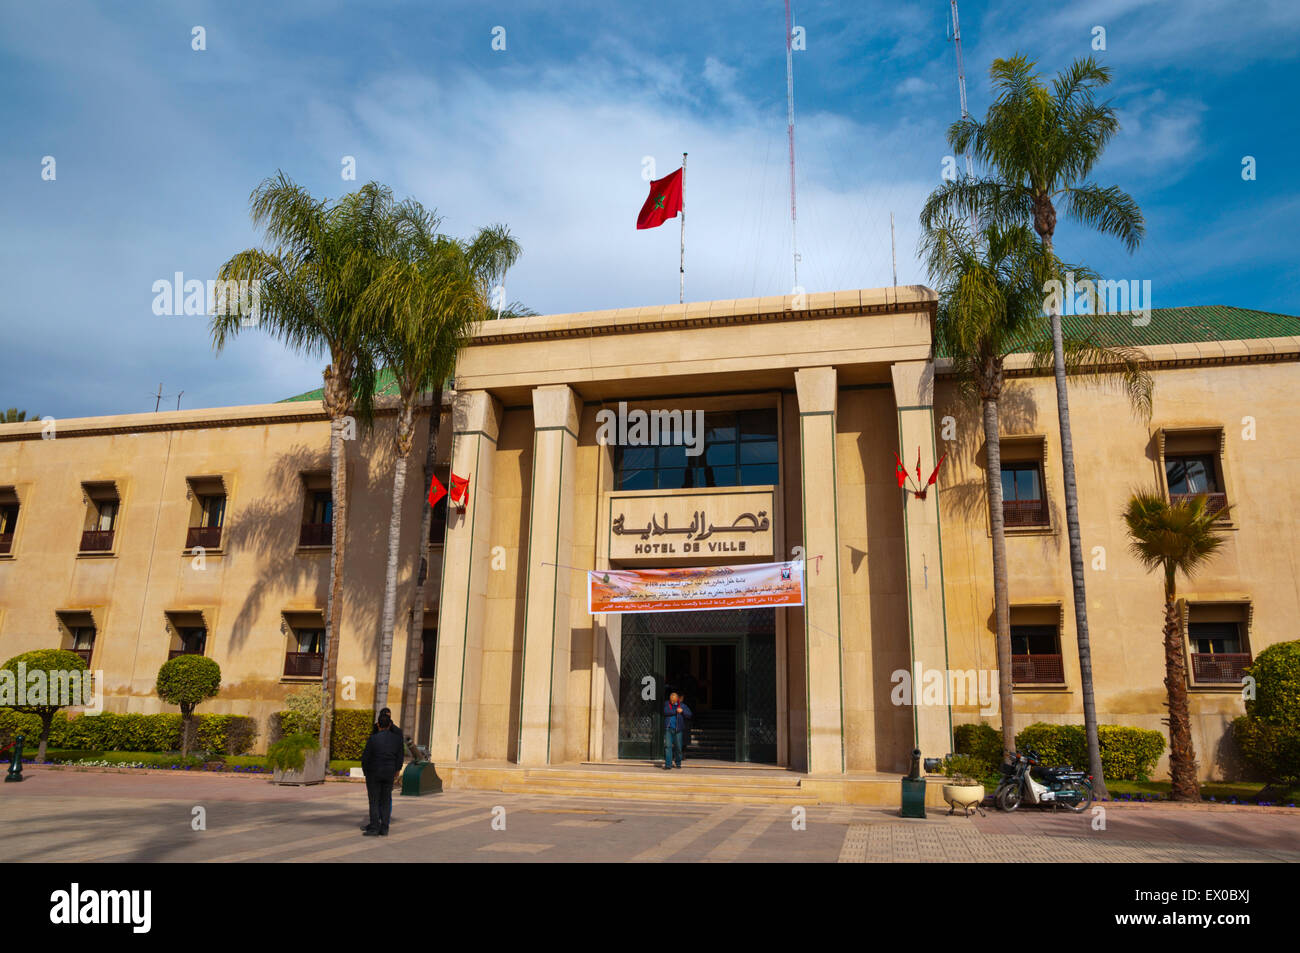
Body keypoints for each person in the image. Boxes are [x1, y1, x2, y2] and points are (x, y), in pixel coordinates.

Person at [360, 709, 405, 836]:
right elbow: (400, 756)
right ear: (389, 725)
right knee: (386, 800)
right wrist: (397, 770)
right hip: (389, 772)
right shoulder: (396, 739)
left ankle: (374, 827)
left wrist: (366, 772)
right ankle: (384, 828)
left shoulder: (373, 739)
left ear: (378, 725)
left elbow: (365, 758)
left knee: (374, 800)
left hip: (374, 772)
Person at [662, 692, 692, 770]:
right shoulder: (667, 704)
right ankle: (668, 765)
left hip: (678, 730)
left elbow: (689, 714)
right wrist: (676, 711)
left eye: (673, 701)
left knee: (678, 747)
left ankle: (678, 763)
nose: (672, 702)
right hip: (668, 729)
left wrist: (682, 711)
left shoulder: (682, 706)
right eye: (671, 700)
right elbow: (665, 711)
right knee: (668, 747)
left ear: (677, 699)